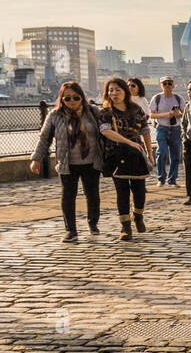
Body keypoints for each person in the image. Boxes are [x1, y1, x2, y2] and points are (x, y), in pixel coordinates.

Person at [31, 81, 103, 241]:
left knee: (92, 194)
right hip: (67, 163)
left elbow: (106, 130)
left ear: (82, 97)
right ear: (62, 99)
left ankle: (93, 223)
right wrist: (36, 159)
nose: (71, 101)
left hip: (92, 161)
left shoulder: (93, 112)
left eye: (75, 98)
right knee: (68, 196)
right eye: (67, 98)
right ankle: (71, 231)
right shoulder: (55, 115)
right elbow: (44, 138)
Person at [98, 76, 153, 241]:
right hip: (116, 154)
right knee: (121, 191)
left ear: (125, 92)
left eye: (117, 90)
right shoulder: (106, 112)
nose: (114, 93)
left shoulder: (136, 109)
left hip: (136, 154)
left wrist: (150, 153)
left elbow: (145, 131)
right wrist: (128, 141)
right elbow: (105, 131)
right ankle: (125, 226)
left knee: (139, 189)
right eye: (111, 90)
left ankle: (138, 215)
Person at [149, 76, 184, 187]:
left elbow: (185, 113)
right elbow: (151, 114)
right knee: (162, 153)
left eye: (169, 83)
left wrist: (178, 114)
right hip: (162, 128)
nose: (167, 86)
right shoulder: (157, 98)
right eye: (165, 84)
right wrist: (167, 114)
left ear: (173, 85)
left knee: (175, 155)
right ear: (161, 86)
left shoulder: (178, 98)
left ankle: (172, 180)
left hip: (176, 129)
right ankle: (161, 178)